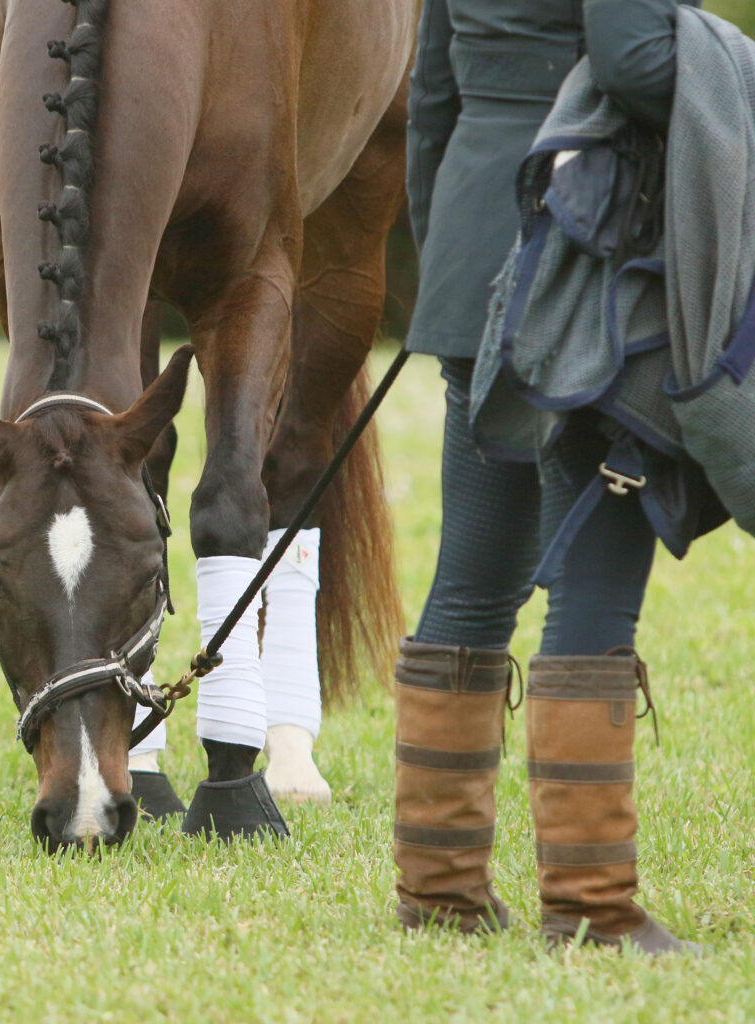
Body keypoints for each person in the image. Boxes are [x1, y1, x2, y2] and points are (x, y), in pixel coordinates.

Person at [395, 0, 698, 954]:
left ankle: (440, 891)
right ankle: (593, 909)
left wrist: (456, 262)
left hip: (480, 232)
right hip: (586, 255)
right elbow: (636, 58)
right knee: (597, 584)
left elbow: (432, 92)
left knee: (475, 577)